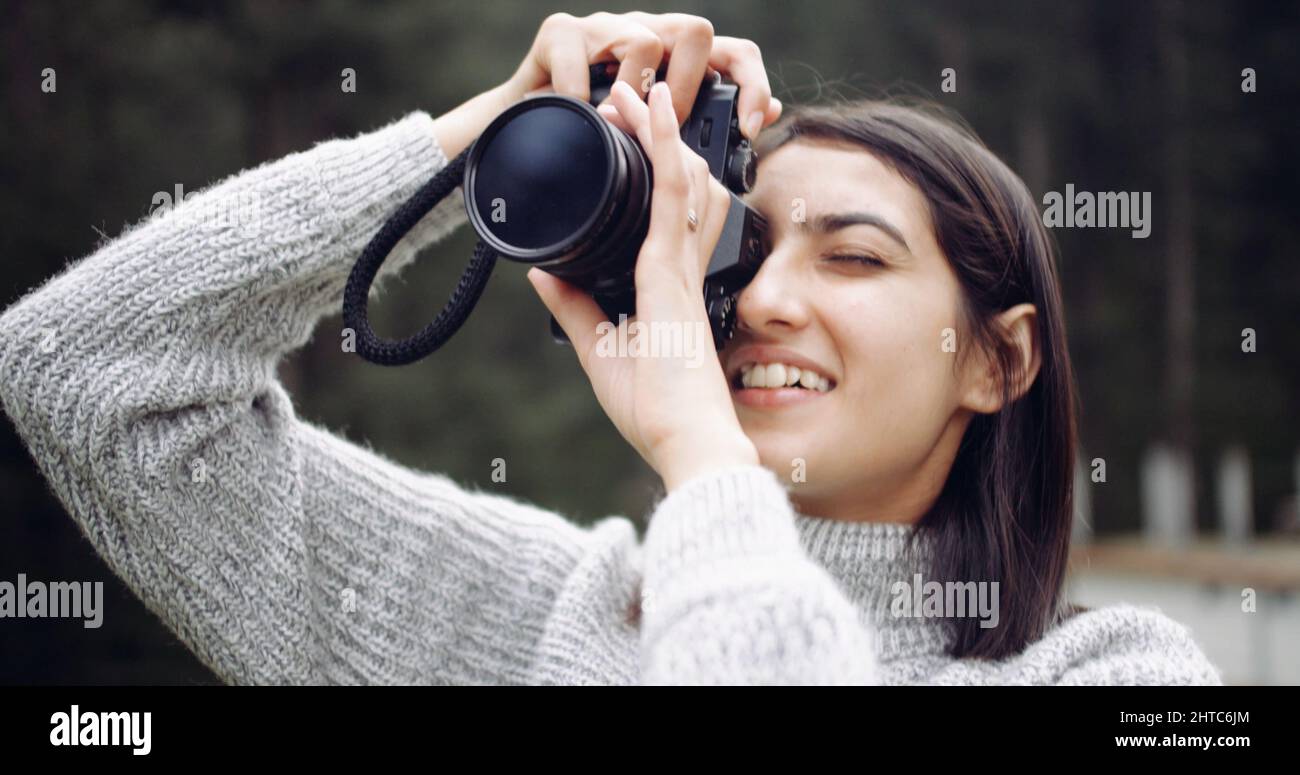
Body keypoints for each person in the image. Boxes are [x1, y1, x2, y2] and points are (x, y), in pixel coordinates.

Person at [0, 11, 1221, 685]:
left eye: (851, 257)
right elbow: (90, 375)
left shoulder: (1127, 679)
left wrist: (701, 446)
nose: (758, 299)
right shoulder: (535, 609)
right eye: (734, 251)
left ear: (997, 361)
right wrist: (488, 138)